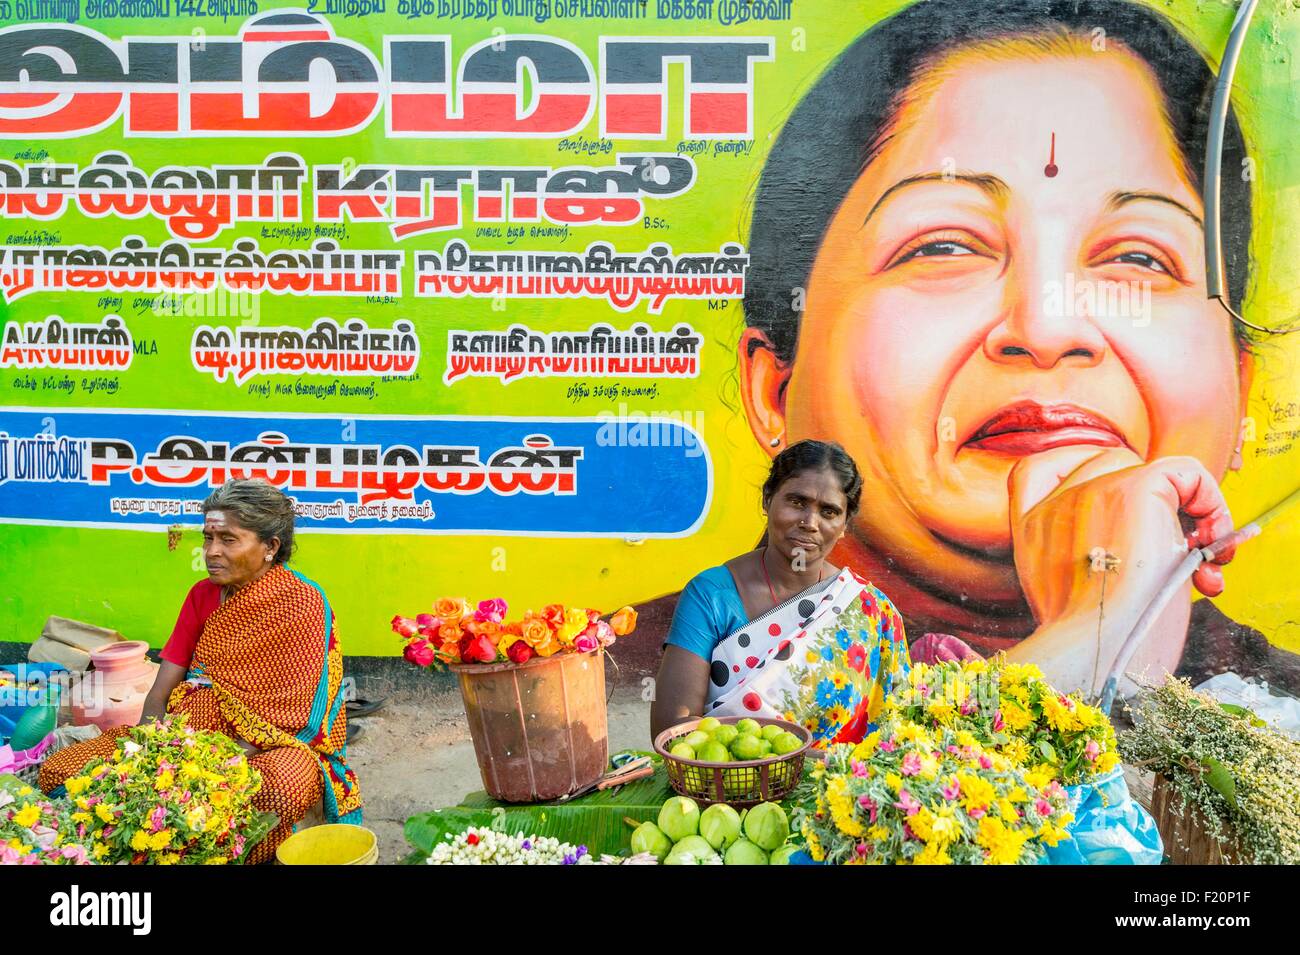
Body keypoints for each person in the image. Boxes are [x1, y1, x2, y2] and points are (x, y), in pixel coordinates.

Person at [737, 0, 1299, 697]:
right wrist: (1096, 635)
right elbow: (866, 801)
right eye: (943, 245)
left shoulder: (1278, 726)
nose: (1048, 328)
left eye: (1139, 256)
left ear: (1242, 394)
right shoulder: (617, 681)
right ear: (774, 391)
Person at [39, 479, 361, 864]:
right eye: (208, 538)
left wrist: (219, 762)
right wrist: (151, 749)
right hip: (187, 736)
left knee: (282, 788)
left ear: (270, 547)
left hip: (266, 748)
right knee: (62, 770)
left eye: (228, 539)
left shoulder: (303, 603)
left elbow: (302, 716)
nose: (212, 552)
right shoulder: (201, 595)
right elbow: (160, 692)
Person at [651, 441, 916, 745]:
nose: (809, 523)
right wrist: (777, 765)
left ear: (844, 524)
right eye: (797, 502)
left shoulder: (870, 611)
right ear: (767, 500)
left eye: (828, 512)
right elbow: (671, 729)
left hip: (842, 788)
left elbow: (899, 729)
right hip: (730, 786)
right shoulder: (712, 596)